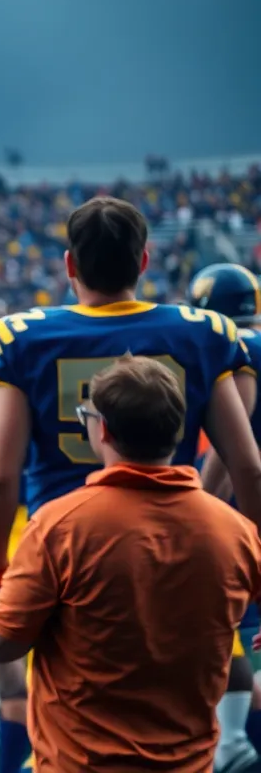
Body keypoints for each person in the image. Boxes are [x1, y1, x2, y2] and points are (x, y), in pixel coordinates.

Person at [0, 196, 261, 773]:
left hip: (64, 547)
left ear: (69, 265)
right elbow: (248, 464)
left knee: (76, 707)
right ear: (144, 260)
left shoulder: (23, 336)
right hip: (183, 542)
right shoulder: (202, 332)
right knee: (177, 692)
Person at [187, 262, 261, 766]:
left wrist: (199, 503)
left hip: (243, 509)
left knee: (221, 625)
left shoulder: (241, 349)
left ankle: (233, 742)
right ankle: (233, 741)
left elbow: (237, 448)